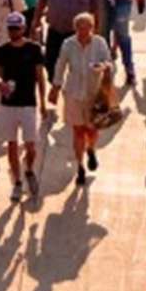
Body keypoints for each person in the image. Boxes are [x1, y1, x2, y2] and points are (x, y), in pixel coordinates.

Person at [0, 9, 46, 203]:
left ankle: (29, 169)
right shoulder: (1, 50)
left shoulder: (34, 49)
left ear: (23, 28)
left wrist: (43, 103)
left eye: (17, 28)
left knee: (31, 146)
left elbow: (40, 77)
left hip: (28, 104)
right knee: (12, 144)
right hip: (8, 105)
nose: (14, 31)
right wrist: (1, 84)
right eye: (11, 28)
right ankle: (16, 182)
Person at [51, 10, 112, 186]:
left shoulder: (99, 43)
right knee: (78, 131)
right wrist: (56, 86)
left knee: (92, 130)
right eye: (80, 28)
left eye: (87, 28)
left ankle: (91, 149)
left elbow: (109, 63)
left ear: (92, 28)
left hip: (94, 94)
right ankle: (80, 167)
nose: (83, 31)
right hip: (73, 94)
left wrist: (103, 67)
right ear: (75, 28)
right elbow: (60, 65)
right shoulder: (68, 44)